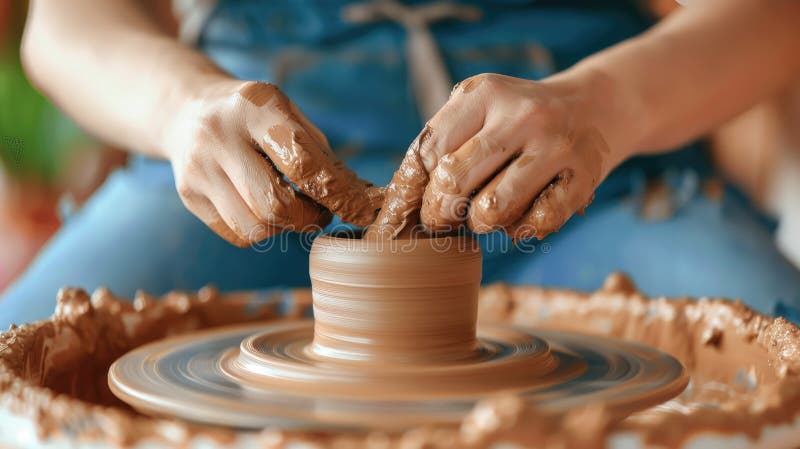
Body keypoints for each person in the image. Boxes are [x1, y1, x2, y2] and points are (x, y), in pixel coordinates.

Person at [3, 0, 800, 327]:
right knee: (27, 366)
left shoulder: (592, 124)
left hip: (580, 157)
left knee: (773, 348)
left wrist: (601, 109)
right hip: (248, 167)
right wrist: (179, 107)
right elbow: (63, 23)